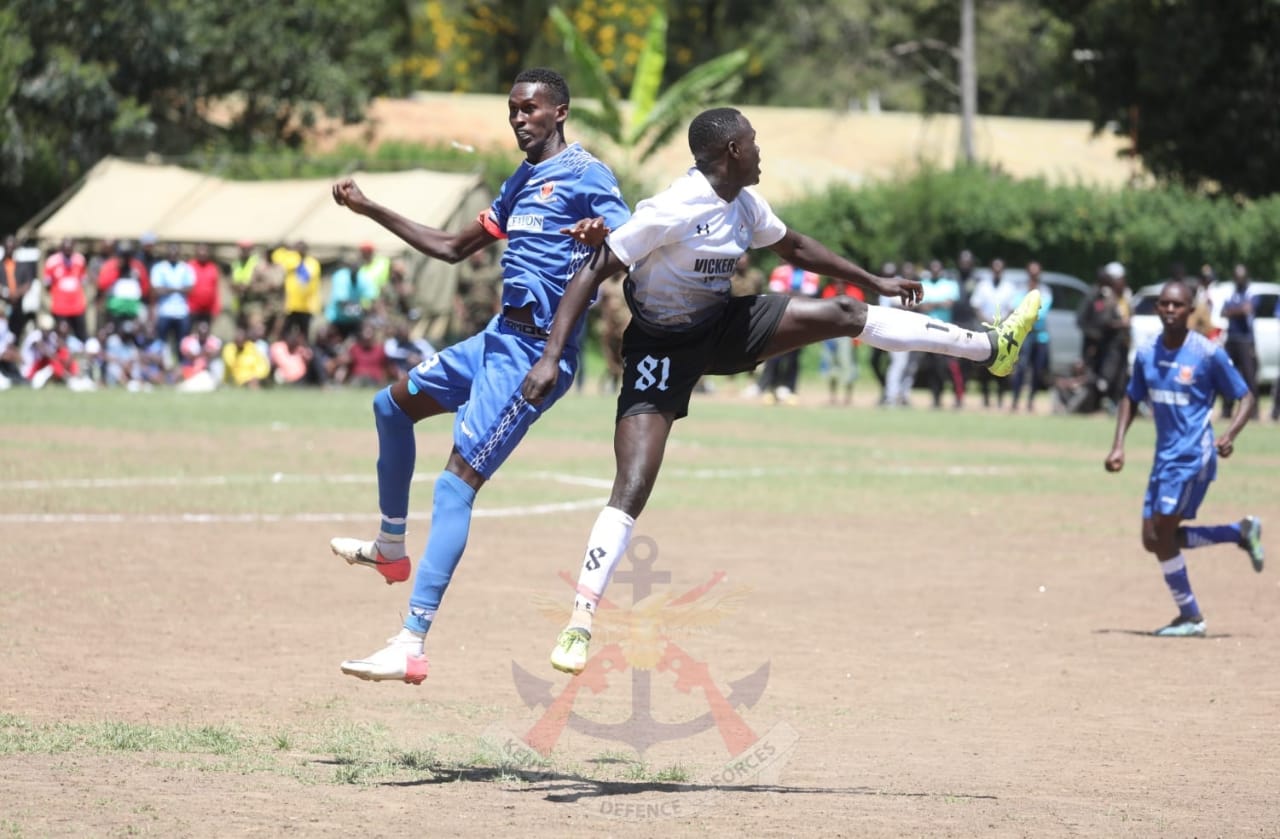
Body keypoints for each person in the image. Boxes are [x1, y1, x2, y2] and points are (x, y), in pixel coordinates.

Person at [520, 107, 1041, 675]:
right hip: (660, 347)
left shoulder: (745, 205)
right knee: (634, 483)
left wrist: (874, 282)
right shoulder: (672, 207)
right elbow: (593, 270)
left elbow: (794, 247)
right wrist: (550, 358)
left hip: (723, 325)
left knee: (845, 311)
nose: (760, 149)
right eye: (753, 140)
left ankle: (989, 349)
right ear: (731, 153)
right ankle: (579, 622)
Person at [327, 68, 631, 684]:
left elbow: (633, 239)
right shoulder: (520, 180)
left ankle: (411, 642)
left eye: (531, 110)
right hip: (495, 339)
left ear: (560, 112)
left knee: (455, 486)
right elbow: (448, 247)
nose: (520, 119)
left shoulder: (587, 175)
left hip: (534, 356)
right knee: (391, 407)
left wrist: (605, 236)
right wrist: (370, 209)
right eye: (513, 110)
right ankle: (390, 547)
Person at [1104, 280, 1263, 638]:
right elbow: (1131, 397)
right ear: (1157, 308)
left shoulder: (1207, 354)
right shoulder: (1147, 353)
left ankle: (1191, 616)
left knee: (1162, 536)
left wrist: (1230, 435)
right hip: (1164, 459)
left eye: (1177, 305)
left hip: (1193, 457)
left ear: (1191, 311)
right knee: (1152, 539)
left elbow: (1246, 397)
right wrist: (1119, 445)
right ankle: (1239, 532)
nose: (1170, 310)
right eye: (1164, 304)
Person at [1009, 260, 1053, 412]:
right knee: (1020, 368)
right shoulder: (1020, 290)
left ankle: (1030, 401)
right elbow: (1015, 307)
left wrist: (1026, 315)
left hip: (1040, 336)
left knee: (1037, 370)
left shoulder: (1045, 291)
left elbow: (1042, 312)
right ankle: (1015, 400)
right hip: (1024, 336)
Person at [1219, 263, 1259, 420]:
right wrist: (1237, 310)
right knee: (1228, 373)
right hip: (1232, 339)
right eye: (1237, 277)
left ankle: (1253, 412)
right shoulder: (1231, 292)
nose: (1239, 280)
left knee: (1249, 375)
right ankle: (1226, 410)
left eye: (1241, 277)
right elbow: (1223, 312)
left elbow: (1247, 309)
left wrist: (1232, 311)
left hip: (1245, 340)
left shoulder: (1251, 292)